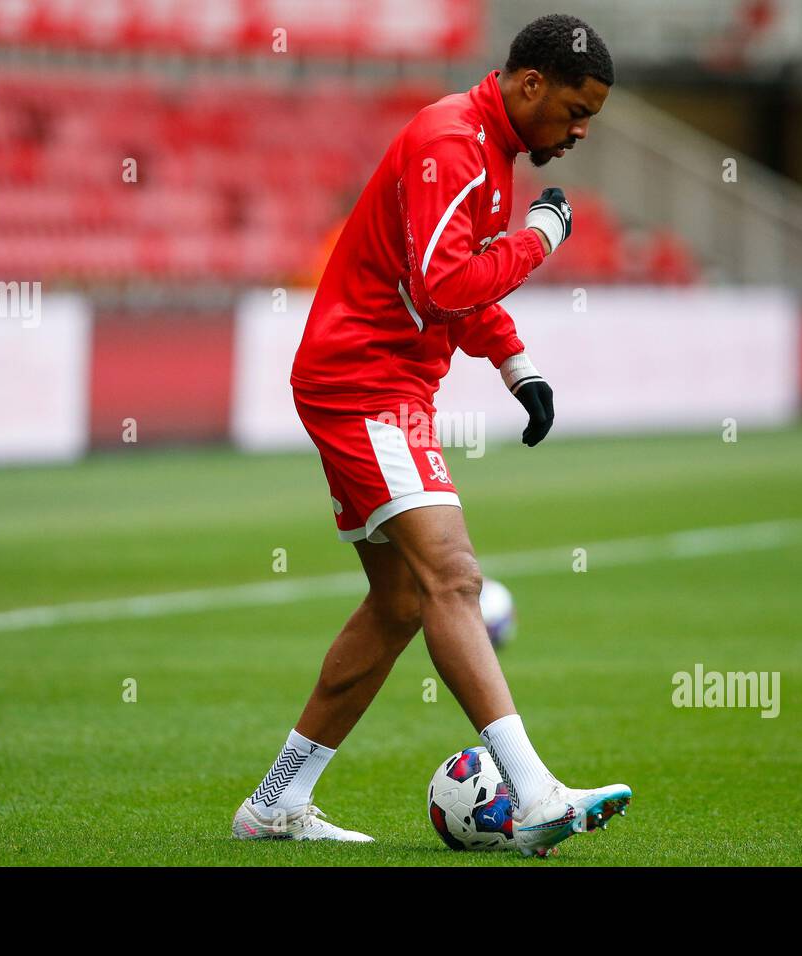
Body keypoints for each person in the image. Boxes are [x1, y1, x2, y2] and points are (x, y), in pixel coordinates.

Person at [232, 14, 631, 858]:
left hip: (387, 384)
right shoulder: (454, 143)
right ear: (529, 86)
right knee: (454, 576)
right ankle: (535, 793)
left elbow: (455, 282)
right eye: (574, 110)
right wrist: (541, 239)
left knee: (403, 600)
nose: (581, 130)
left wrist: (516, 366)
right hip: (364, 385)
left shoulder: (486, 152)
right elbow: (447, 280)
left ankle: (277, 799)